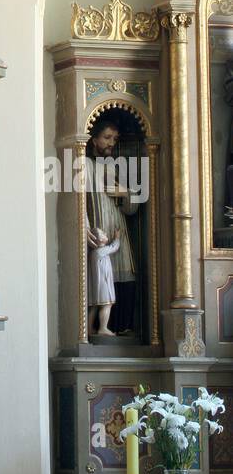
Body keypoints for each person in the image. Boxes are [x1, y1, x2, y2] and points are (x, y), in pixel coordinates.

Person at [86, 120, 138, 336]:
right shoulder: (85, 165)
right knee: (100, 282)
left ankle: (121, 326)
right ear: (94, 139)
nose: (111, 143)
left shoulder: (117, 166)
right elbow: (76, 200)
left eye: (114, 139)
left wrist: (125, 193)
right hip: (99, 233)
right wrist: (85, 225)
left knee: (125, 280)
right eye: (107, 137)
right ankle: (97, 327)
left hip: (119, 233)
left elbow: (132, 209)